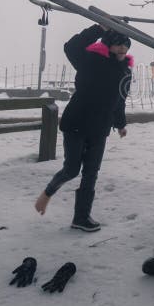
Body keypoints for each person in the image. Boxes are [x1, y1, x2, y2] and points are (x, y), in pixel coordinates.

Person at [34, 24, 133, 232]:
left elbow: (119, 100)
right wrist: (98, 28)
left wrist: (120, 124)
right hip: (77, 123)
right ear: (108, 44)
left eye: (125, 44)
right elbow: (71, 46)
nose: (122, 48)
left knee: (91, 173)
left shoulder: (125, 71)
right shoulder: (90, 60)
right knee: (71, 170)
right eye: (118, 44)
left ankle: (81, 217)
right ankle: (48, 193)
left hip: (100, 128)